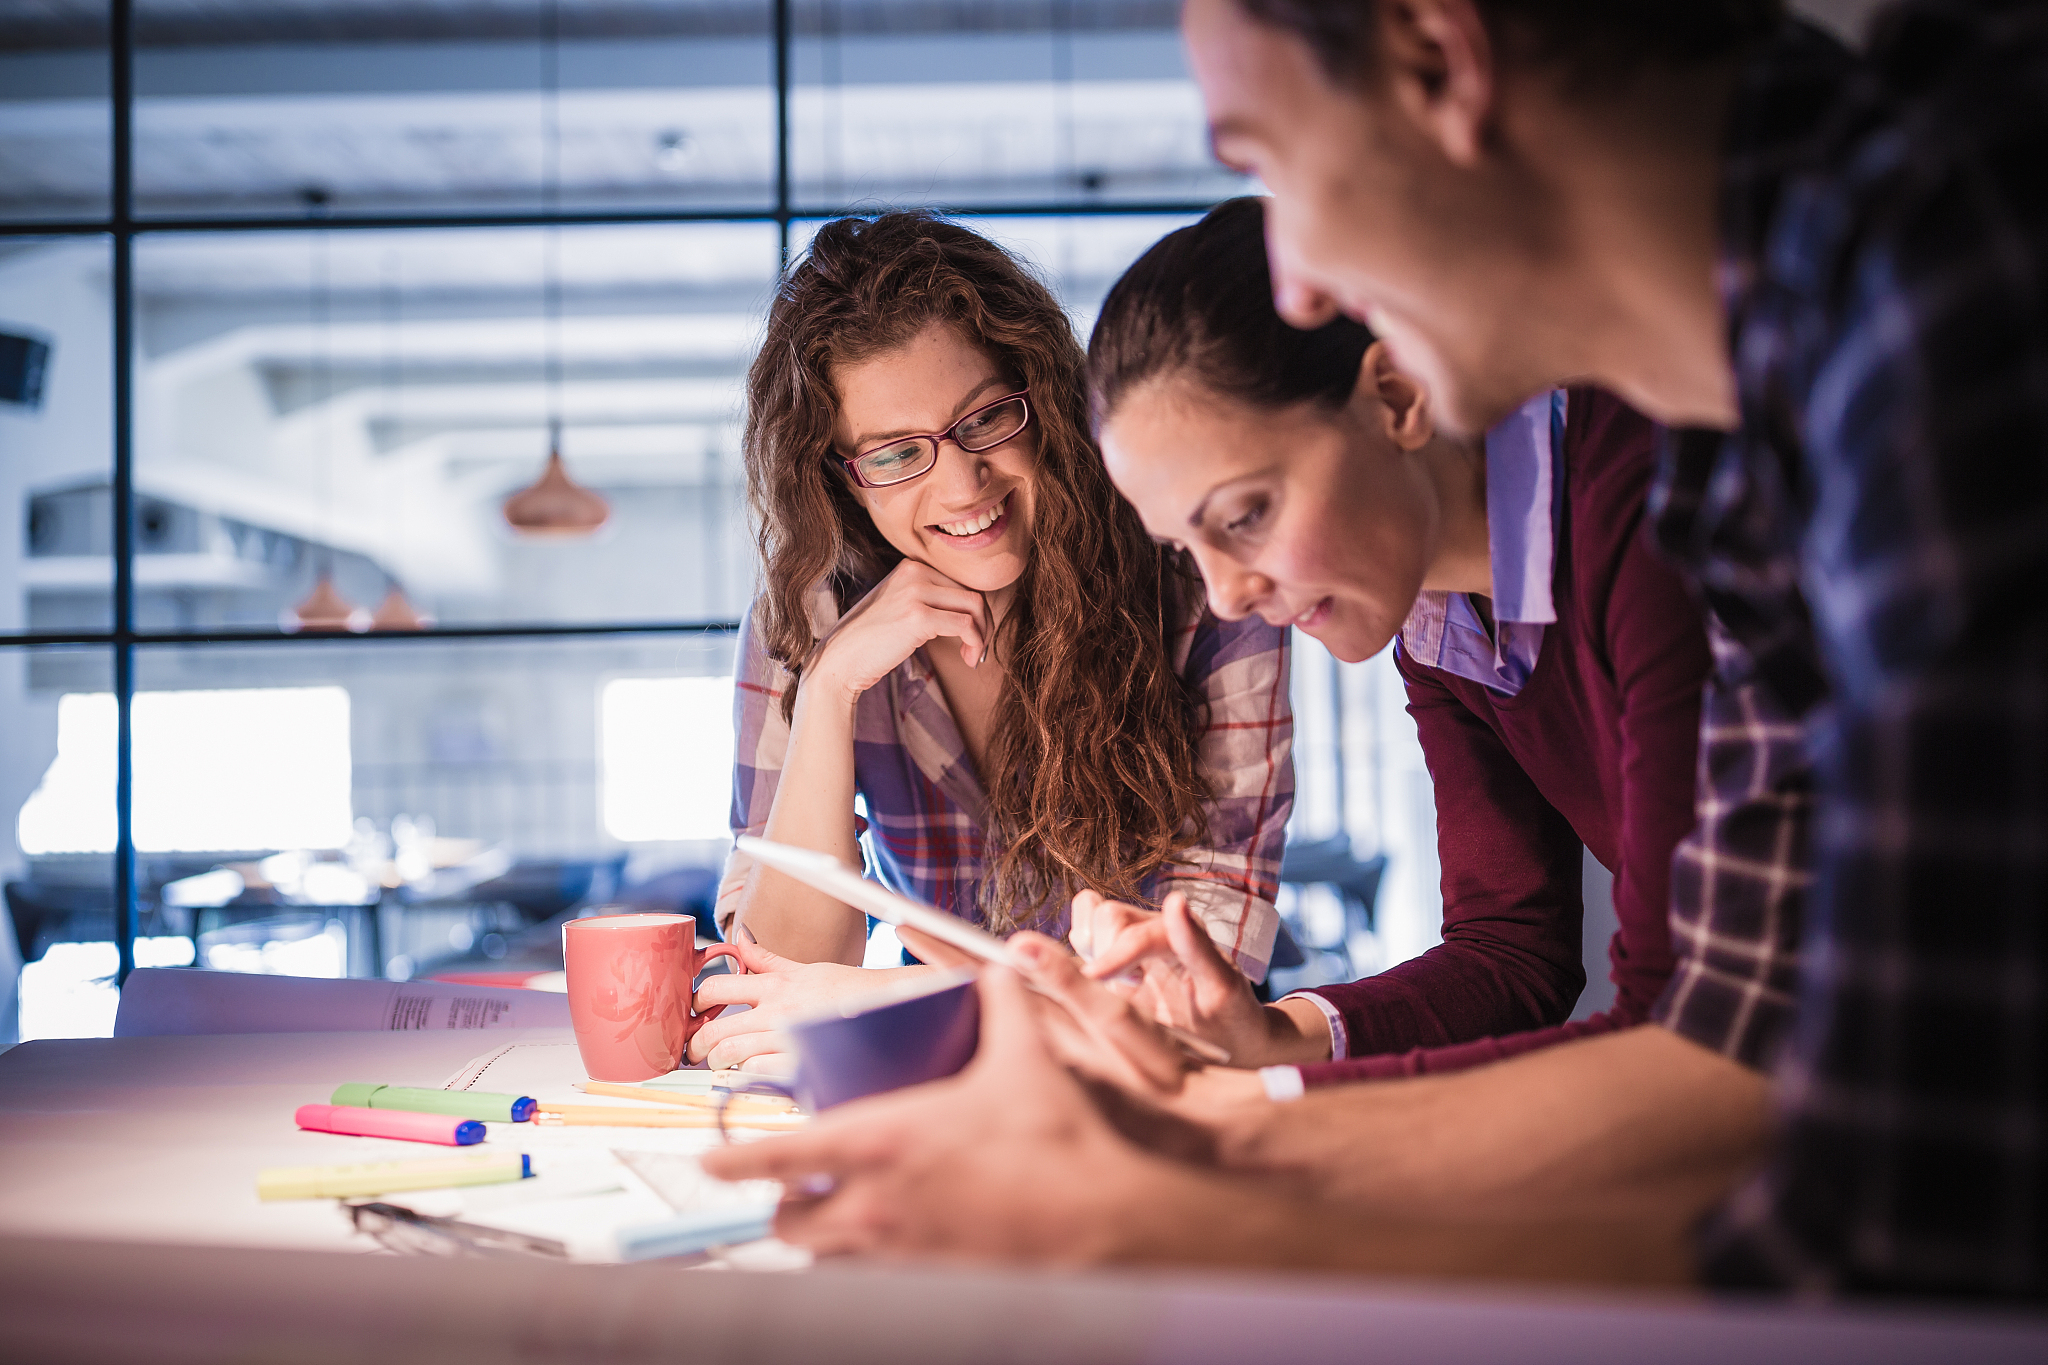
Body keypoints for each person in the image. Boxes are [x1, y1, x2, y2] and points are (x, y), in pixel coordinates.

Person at [710, 0, 2048, 1301]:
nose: (1297, 283)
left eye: (1266, 164)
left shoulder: (1936, 279)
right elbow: (1743, 1047)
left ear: (1435, 54)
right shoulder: (1740, 426)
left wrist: (1190, 1190)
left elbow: (1870, 1175)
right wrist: (1208, 1136)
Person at [1070, 195, 1718, 1089]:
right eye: (1188, 548)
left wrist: (1268, 1120)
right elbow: (1512, 950)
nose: (1228, 597)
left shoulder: (1640, 506)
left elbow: (1677, 1021)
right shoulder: (1439, 623)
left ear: (1396, 395)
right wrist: (1265, 1037)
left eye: (1246, 515)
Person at [692, 212, 1293, 1071]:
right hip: (936, 1077)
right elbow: (782, 969)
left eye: (986, 419)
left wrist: (913, 996)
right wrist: (829, 689)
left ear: (1041, 398)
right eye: (898, 454)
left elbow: (1197, 990)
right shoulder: (809, 610)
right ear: (841, 478)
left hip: (1165, 1093)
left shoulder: (1202, 580)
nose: (964, 481)